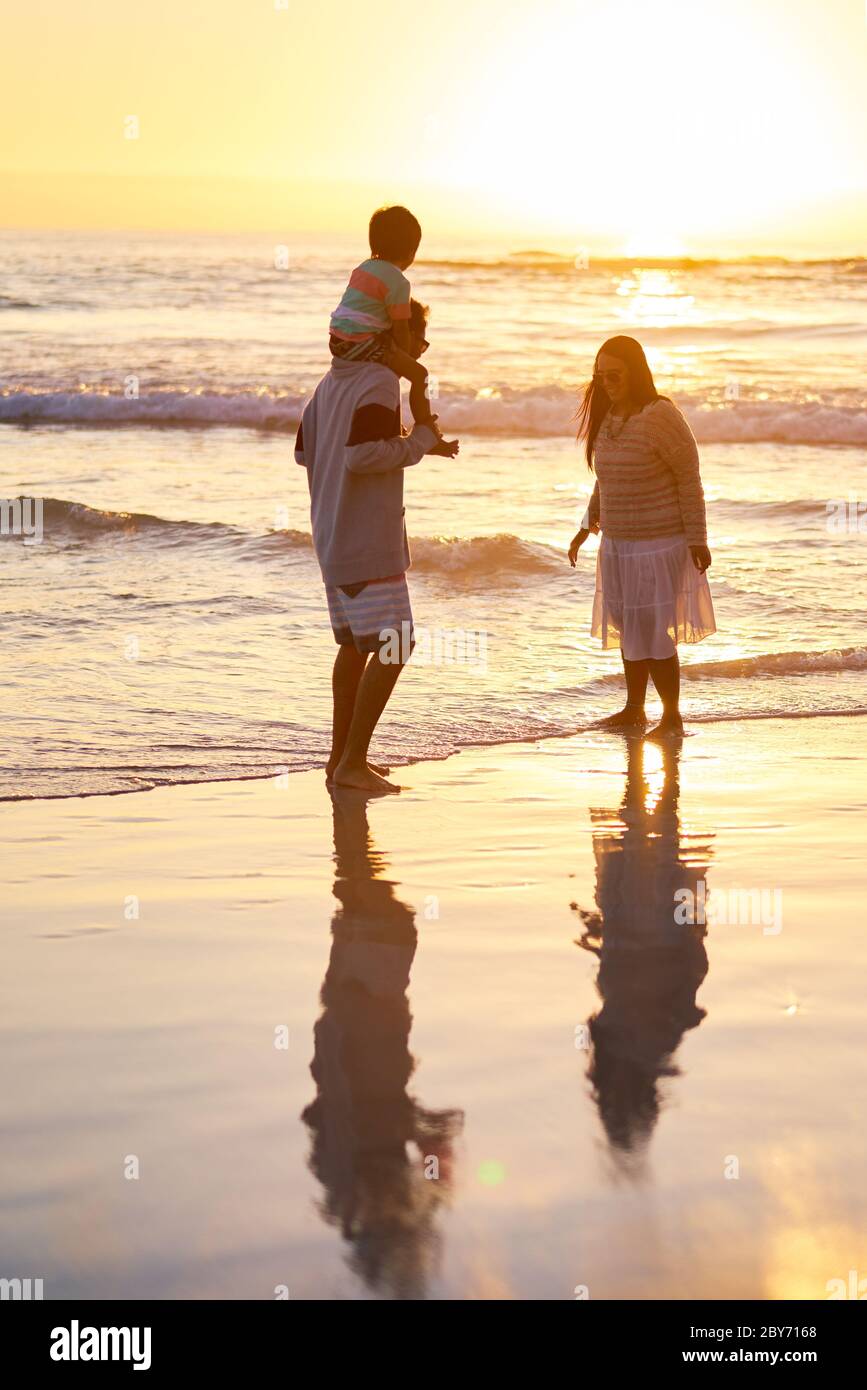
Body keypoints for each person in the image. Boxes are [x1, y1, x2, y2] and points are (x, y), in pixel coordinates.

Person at [296, 299, 458, 795]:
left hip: (332, 536)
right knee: (397, 643)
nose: (420, 351)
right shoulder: (380, 383)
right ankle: (352, 762)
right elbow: (364, 454)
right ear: (396, 338)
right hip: (368, 542)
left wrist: (411, 439)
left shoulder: (331, 383)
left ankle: (340, 759)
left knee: (355, 646)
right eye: (419, 341)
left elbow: (304, 451)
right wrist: (418, 443)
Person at [568, 336, 715, 739]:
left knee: (652, 629)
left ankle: (671, 717)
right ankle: (634, 708)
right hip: (617, 544)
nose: (606, 383)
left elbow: (689, 479)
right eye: (599, 377)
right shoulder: (610, 416)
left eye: (613, 375)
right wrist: (586, 526)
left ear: (637, 372)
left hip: (658, 543)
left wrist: (698, 539)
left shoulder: (661, 415)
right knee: (626, 625)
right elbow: (606, 480)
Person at [329, 205, 439, 436]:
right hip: (362, 343)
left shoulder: (362, 268)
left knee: (393, 360)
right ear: (411, 251)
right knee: (420, 375)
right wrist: (406, 360)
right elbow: (400, 330)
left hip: (337, 341)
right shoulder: (399, 282)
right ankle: (426, 427)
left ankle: (389, 420)